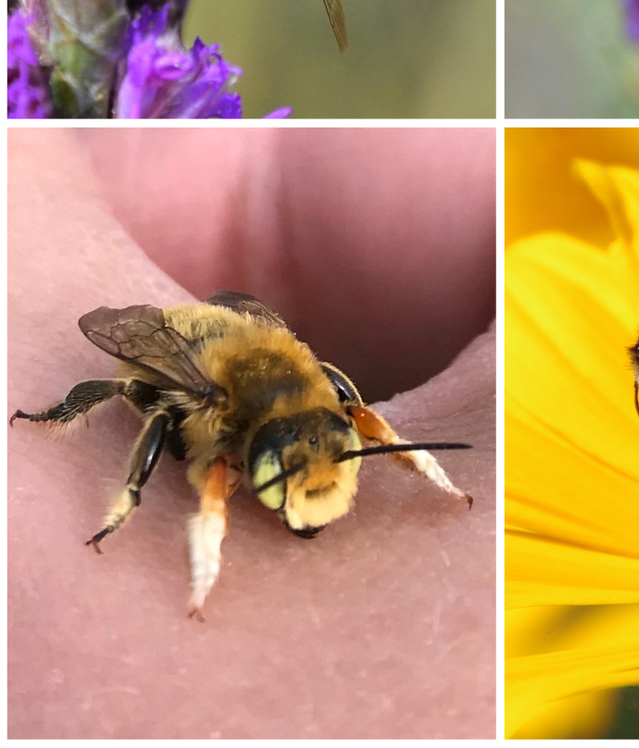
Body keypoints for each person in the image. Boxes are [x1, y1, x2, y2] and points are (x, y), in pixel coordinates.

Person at [9, 127, 495, 738]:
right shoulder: (216, 424)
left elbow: (332, 390)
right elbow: (159, 400)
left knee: (323, 381)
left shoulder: (322, 404)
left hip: (255, 345)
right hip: (186, 351)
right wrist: (180, 561)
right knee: (140, 398)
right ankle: (106, 477)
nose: (319, 476)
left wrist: (435, 481)